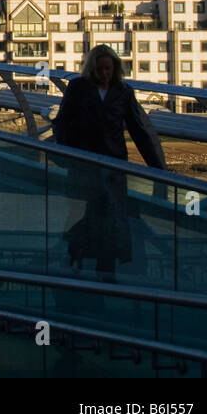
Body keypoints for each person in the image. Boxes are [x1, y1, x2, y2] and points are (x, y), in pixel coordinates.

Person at [53, 44, 165, 276]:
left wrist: (158, 168)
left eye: (109, 69)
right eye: (101, 69)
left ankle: (103, 268)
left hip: (114, 167)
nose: (105, 74)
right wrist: (65, 155)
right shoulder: (78, 88)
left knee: (110, 219)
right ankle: (76, 261)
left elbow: (138, 130)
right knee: (83, 214)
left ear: (115, 69)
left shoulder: (123, 92)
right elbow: (62, 121)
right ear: (92, 69)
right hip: (83, 163)